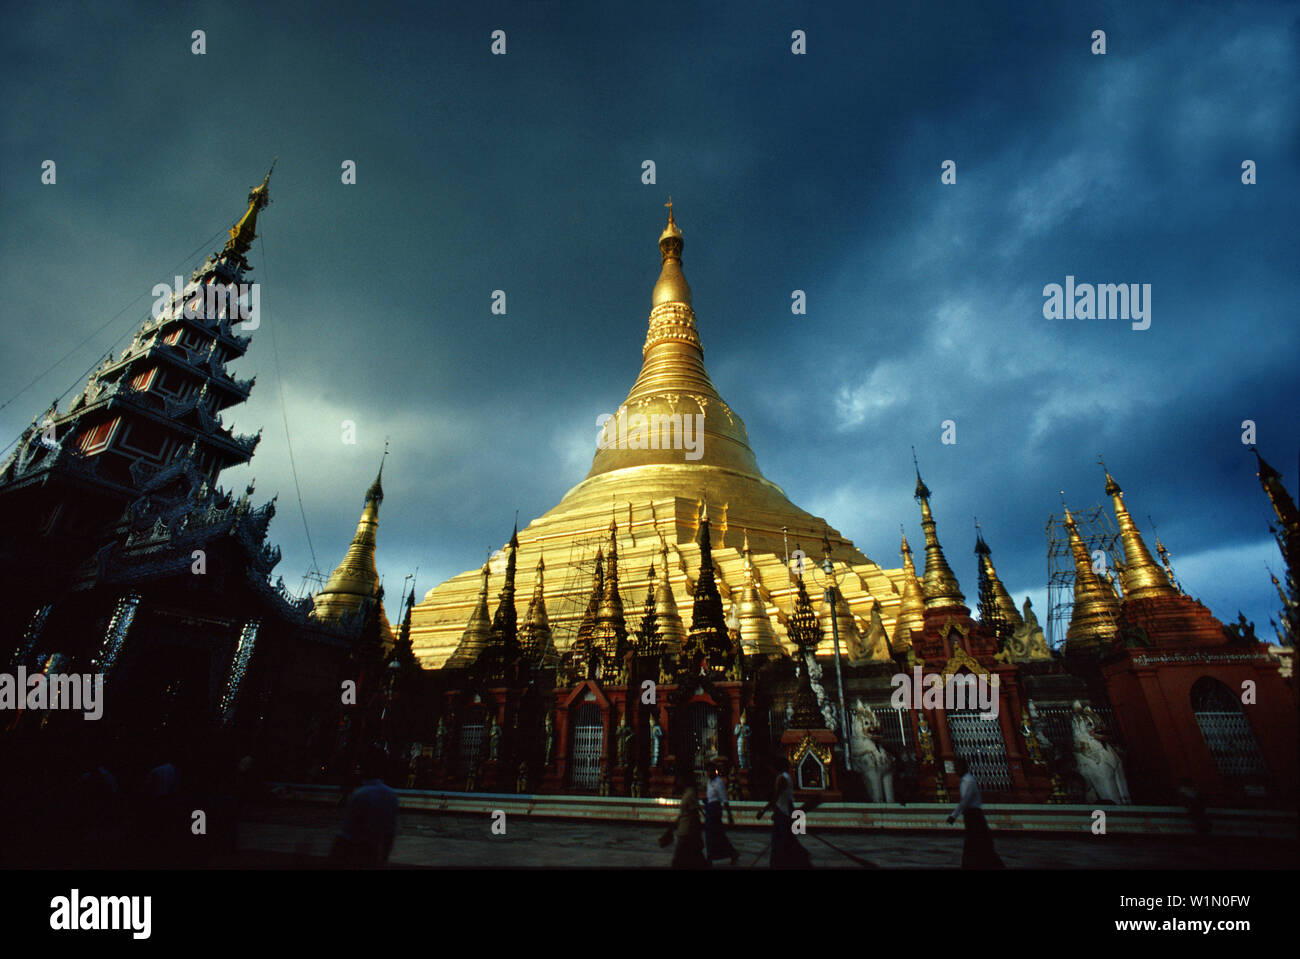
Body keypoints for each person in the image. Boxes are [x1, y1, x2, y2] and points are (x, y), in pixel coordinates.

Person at [332, 748, 399, 867]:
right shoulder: (391, 795)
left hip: (354, 849)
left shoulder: (360, 794)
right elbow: (390, 832)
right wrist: (384, 859)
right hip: (374, 850)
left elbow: (347, 831)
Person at [946, 757, 1004, 868]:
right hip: (971, 814)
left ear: (963, 767)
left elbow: (965, 801)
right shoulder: (965, 780)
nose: (955, 770)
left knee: (977, 842)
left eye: (957, 767)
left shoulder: (968, 781)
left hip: (974, 815)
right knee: (976, 843)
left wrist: (953, 815)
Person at [757, 757, 810, 868]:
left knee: (785, 840)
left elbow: (775, 798)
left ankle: (801, 858)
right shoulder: (786, 777)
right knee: (781, 839)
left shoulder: (781, 778)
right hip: (783, 811)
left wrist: (763, 810)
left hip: (784, 813)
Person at [660, 786, 707, 868]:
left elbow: (694, 814)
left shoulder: (690, 794)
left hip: (687, 832)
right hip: (686, 831)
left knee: (678, 861)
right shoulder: (688, 793)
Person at [704, 764, 739, 865]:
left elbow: (724, 799)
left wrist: (729, 815)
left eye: (710, 771)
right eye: (707, 771)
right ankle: (730, 853)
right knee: (715, 835)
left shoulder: (719, 782)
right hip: (710, 809)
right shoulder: (709, 782)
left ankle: (712, 856)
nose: (709, 774)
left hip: (715, 810)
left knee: (714, 835)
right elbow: (710, 796)